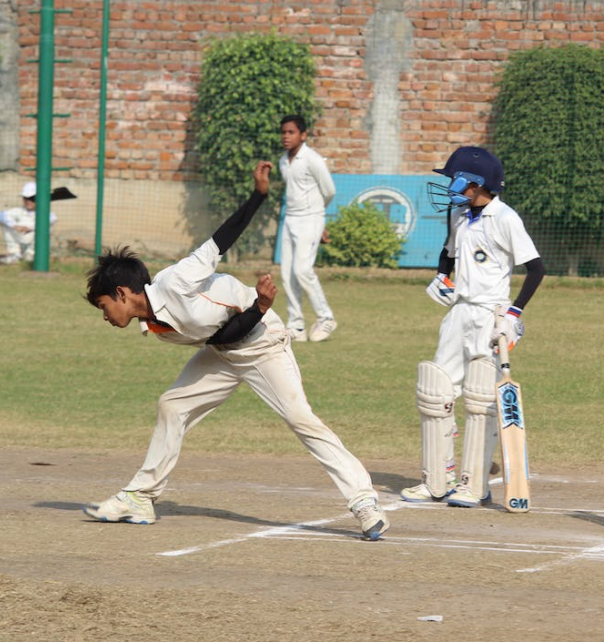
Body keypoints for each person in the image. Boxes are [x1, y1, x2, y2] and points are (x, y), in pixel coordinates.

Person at [82, 160, 390, 541]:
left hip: (262, 339)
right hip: (226, 348)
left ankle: (364, 501)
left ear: (121, 294)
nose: (105, 317)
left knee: (299, 417)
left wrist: (258, 197)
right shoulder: (154, 326)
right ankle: (140, 498)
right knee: (173, 405)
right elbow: (223, 337)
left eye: (103, 307)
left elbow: (221, 240)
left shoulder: (175, 282)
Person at [402, 146, 546, 507]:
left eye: (455, 178)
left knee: (481, 397)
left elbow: (536, 269)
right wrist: (441, 275)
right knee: (438, 393)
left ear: (475, 183)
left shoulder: (505, 218)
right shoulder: (460, 215)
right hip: (459, 313)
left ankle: (476, 483)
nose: (450, 184)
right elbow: (448, 252)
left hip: (490, 315)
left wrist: (513, 314)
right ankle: (437, 479)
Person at [277, 114, 338, 342]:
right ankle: (296, 326)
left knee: (303, 270)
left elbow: (329, 190)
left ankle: (326, 318)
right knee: (287, 273)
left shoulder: (312, 159)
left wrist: (318, 219)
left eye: (291, 132)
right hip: (290, 219)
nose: (286, 137)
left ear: (303, 135)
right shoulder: (284, 160)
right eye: (283, 132)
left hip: (311, 218)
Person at [0, 181, 57, 265]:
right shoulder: (19, 210)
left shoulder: (45, 212)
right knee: (6, 224)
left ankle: (32, 255)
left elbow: (52, 219)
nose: (28, 201)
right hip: (20, 241)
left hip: (34, 244)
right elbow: (0, 215)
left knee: (47, 226)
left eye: (32, 198)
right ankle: (15, 254)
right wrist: (14, 225)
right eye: (25, 198)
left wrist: (31, 228)